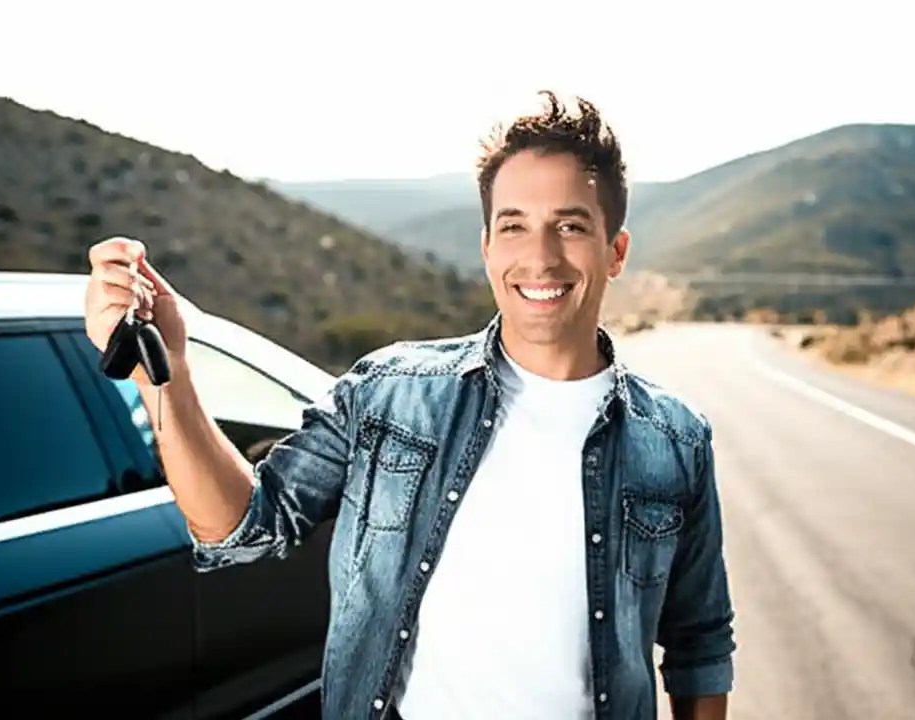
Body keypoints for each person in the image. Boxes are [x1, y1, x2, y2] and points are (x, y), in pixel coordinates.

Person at [83, 91, 736, 720]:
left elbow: (699, 643)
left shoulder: (675, 439)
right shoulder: (388, 393)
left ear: (614, 251)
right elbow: (241, 528)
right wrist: (162, 374)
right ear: (487, 248)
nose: (539, 257)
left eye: (570, 226)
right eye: (514, 227)